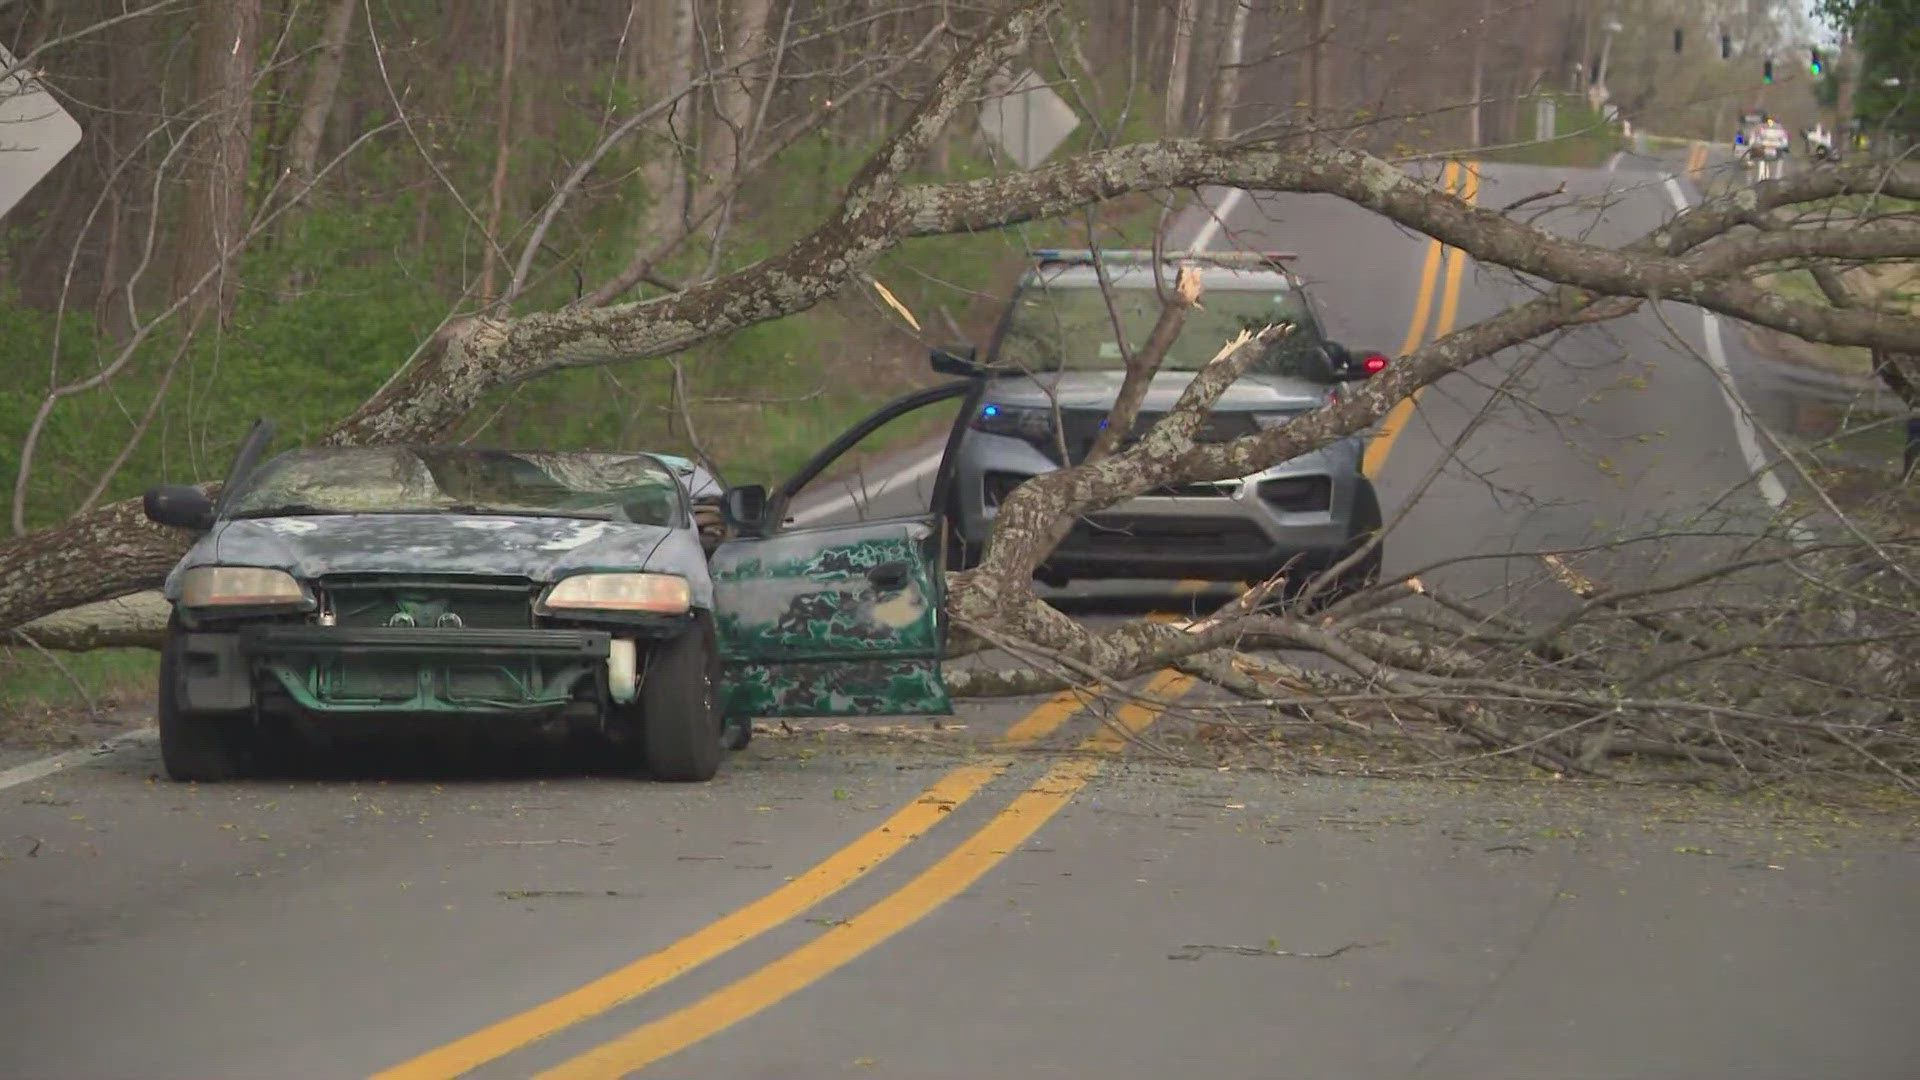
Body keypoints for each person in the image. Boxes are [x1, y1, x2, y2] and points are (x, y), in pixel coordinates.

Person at [1748, 115, 1790, 180]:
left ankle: (1774, 179)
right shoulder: (1759, 128)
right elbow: (1753, 140)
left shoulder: (1779, 129)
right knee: (1763, 165)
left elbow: (1785, 142)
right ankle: (1763, 179)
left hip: (1773, 151)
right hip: (1764, 151)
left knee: (1776, 166)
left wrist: (1774, 146)